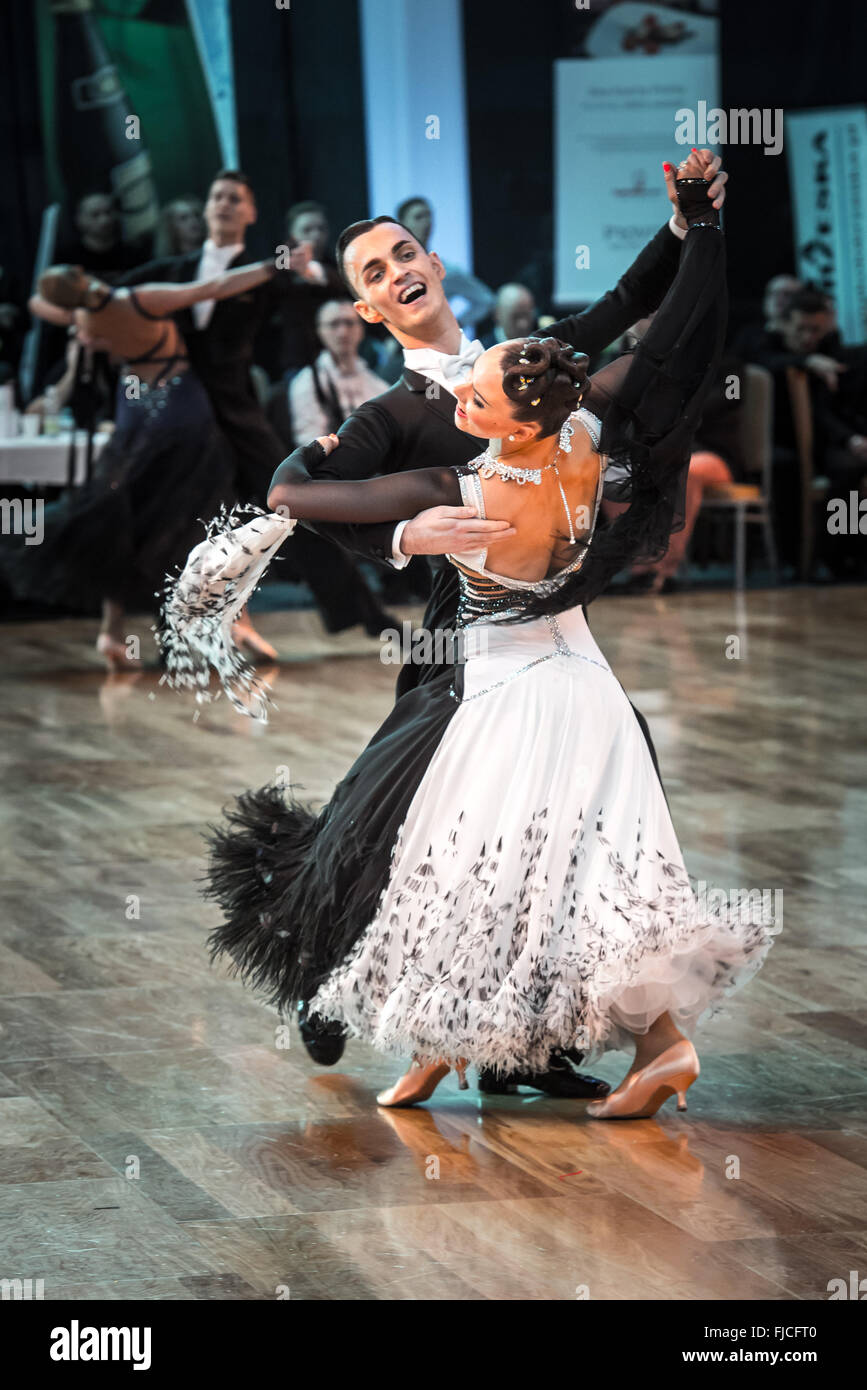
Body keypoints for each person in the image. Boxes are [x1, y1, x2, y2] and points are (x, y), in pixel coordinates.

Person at [163, 161, 779, 1120]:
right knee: (396, 820)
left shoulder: (524, 363)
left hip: (547, 632)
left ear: (433, 262)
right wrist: (406, 537)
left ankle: (515, 1044)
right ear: (367, 308)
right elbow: (302, 495)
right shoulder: (394, 414)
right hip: (461, 643)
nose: (395, 272)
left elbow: (624, 305)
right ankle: (334, 977)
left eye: (402, 253)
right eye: (372, 272)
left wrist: (682, 222)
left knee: (558, 823)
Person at [120, 170, 396, 643]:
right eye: (217, 197)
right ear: (208, 208)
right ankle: (178, 633)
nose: (224, 205)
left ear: (250, 213)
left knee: (295, 503)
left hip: (238, 412)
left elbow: (318, 287)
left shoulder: (265, 269)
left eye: (235, 199)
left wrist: (309, 267)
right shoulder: (176, 269)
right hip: (183, 414)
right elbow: (117, 296)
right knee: (182, 519)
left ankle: (363, 610)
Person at [3, 257, 277, 669]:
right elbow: (212, 287)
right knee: (209, 517)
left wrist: (62, 304)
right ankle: (237, 621)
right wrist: (271, 266)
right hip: (179, 410)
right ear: (84, 277)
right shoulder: (139, 299)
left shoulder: (85, 317)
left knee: (124, 518)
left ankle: (111, 632)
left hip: (133, 409)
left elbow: (38, 305)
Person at [289, 298, 389, 445]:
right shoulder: (307, 382)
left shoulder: (375, 381)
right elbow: (309, 442)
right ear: (320, 331)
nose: (342, 332)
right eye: (333, 324)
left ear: (361, 329)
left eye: (349, 323)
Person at [482, 283, 539, 348]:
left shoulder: (542, 346)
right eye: (515, 317)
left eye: (527, 316)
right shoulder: (482, 352)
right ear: (497, 315)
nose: (523, 325)